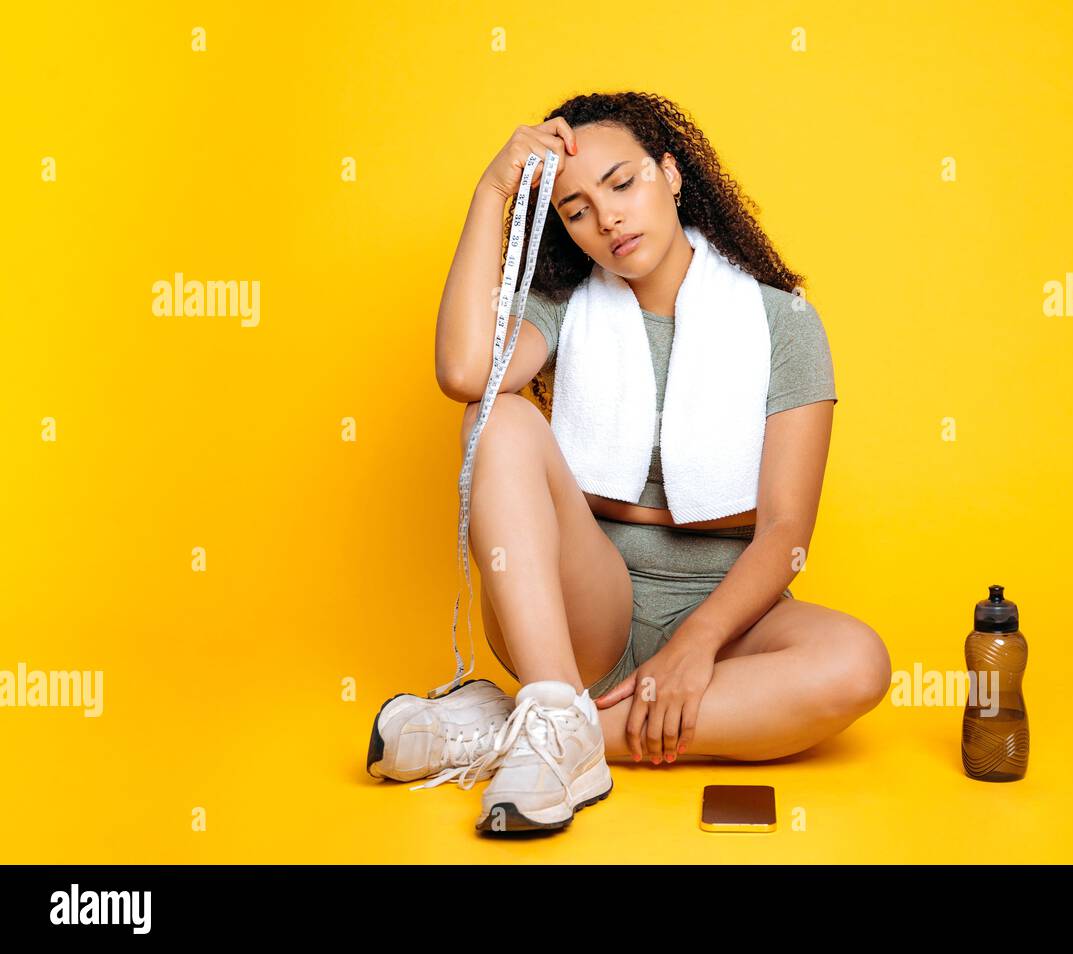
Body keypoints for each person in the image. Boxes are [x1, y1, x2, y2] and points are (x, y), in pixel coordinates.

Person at [369, 91, 891, 833]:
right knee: (498, 411)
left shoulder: (784, 323)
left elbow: (783, 531)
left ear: (672, 176)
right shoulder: (565, 304)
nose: (607, 217)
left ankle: (526, 736)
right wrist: (492, 191)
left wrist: (695, 646)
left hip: (729, 617)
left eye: (622, 183)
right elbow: (463, 373)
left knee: (856, 663)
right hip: (585, 611)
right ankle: (551, 705)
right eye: (577, 210)